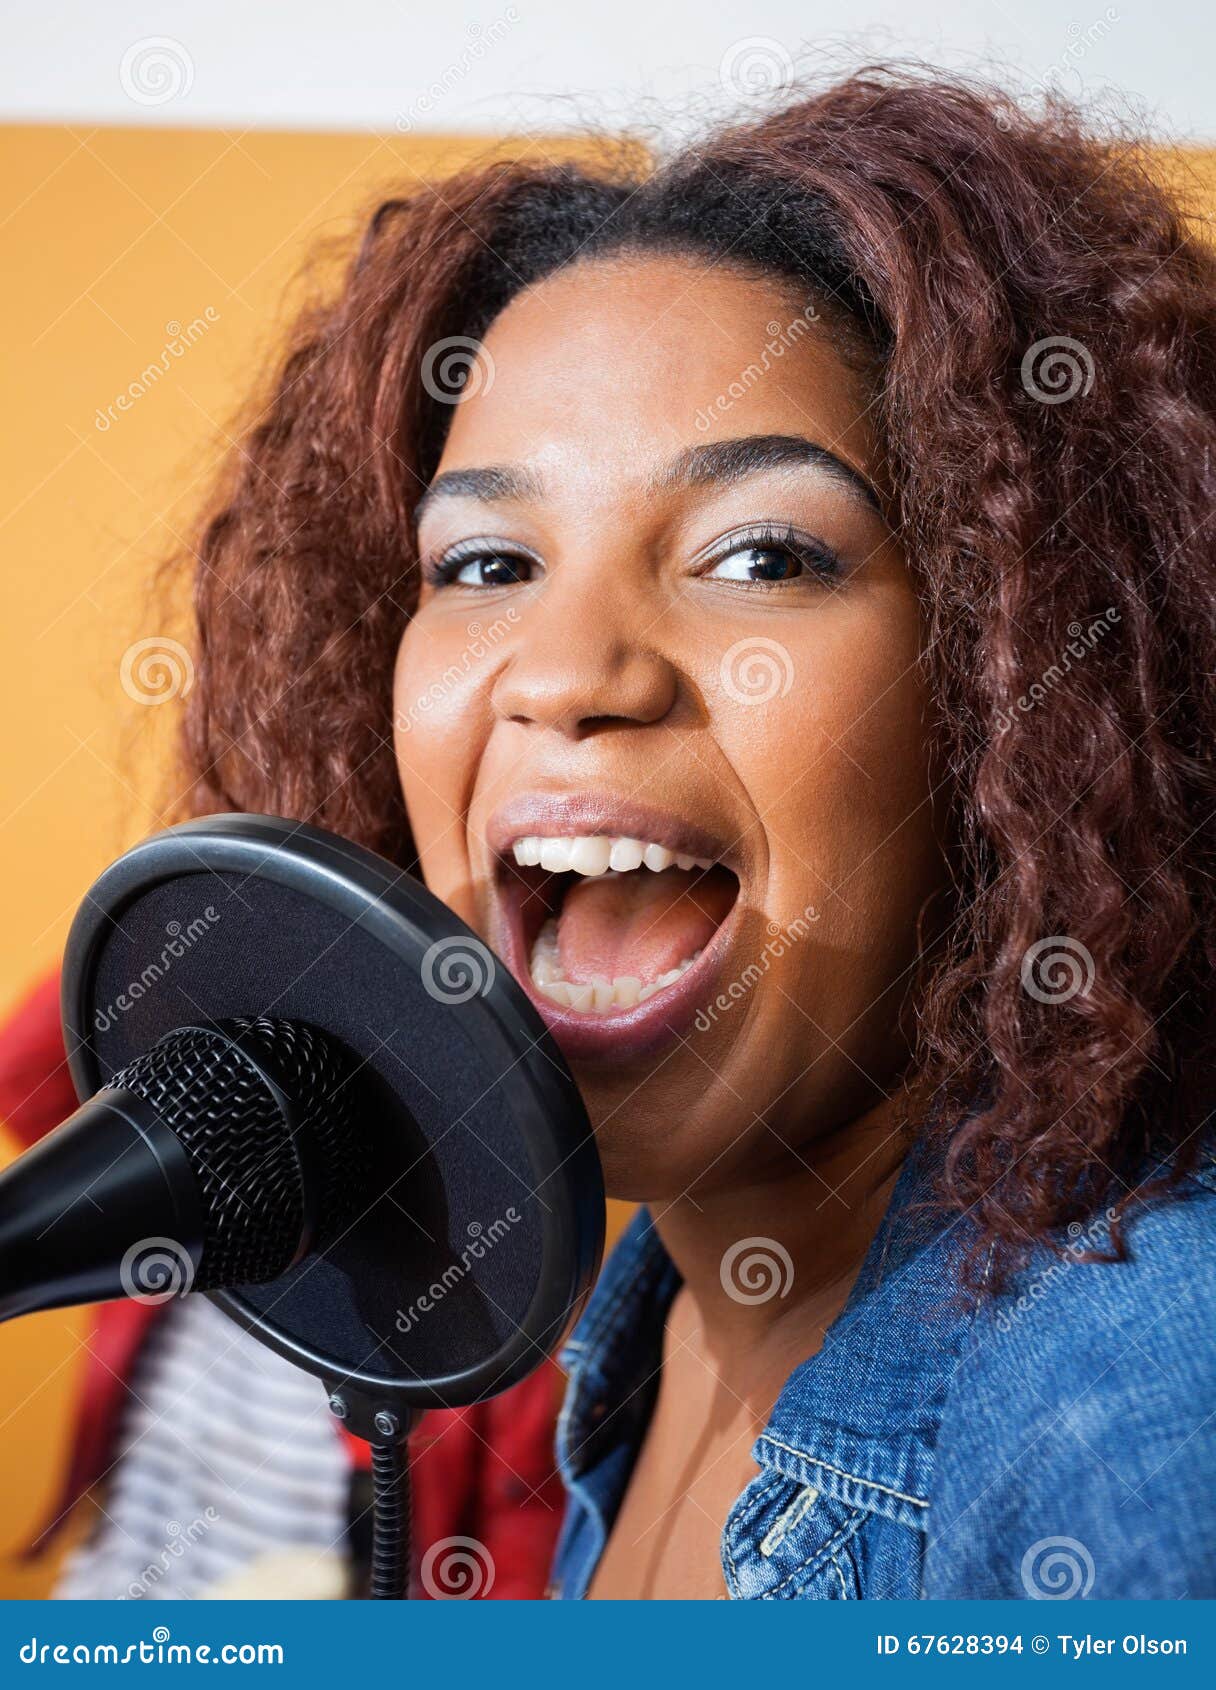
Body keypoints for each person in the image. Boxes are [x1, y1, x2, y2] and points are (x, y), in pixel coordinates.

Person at [102, 68, 1216, 1597]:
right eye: (485, 561)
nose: (569, 669)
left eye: (760, 553)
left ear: (1015, 690)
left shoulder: (1132, 1411)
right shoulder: (646, 1319)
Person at [0, 974, 565, 1599]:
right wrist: (244, 910)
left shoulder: (491, 1326)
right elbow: (20, 1074)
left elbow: (519, 1575)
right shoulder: (171, 1214)